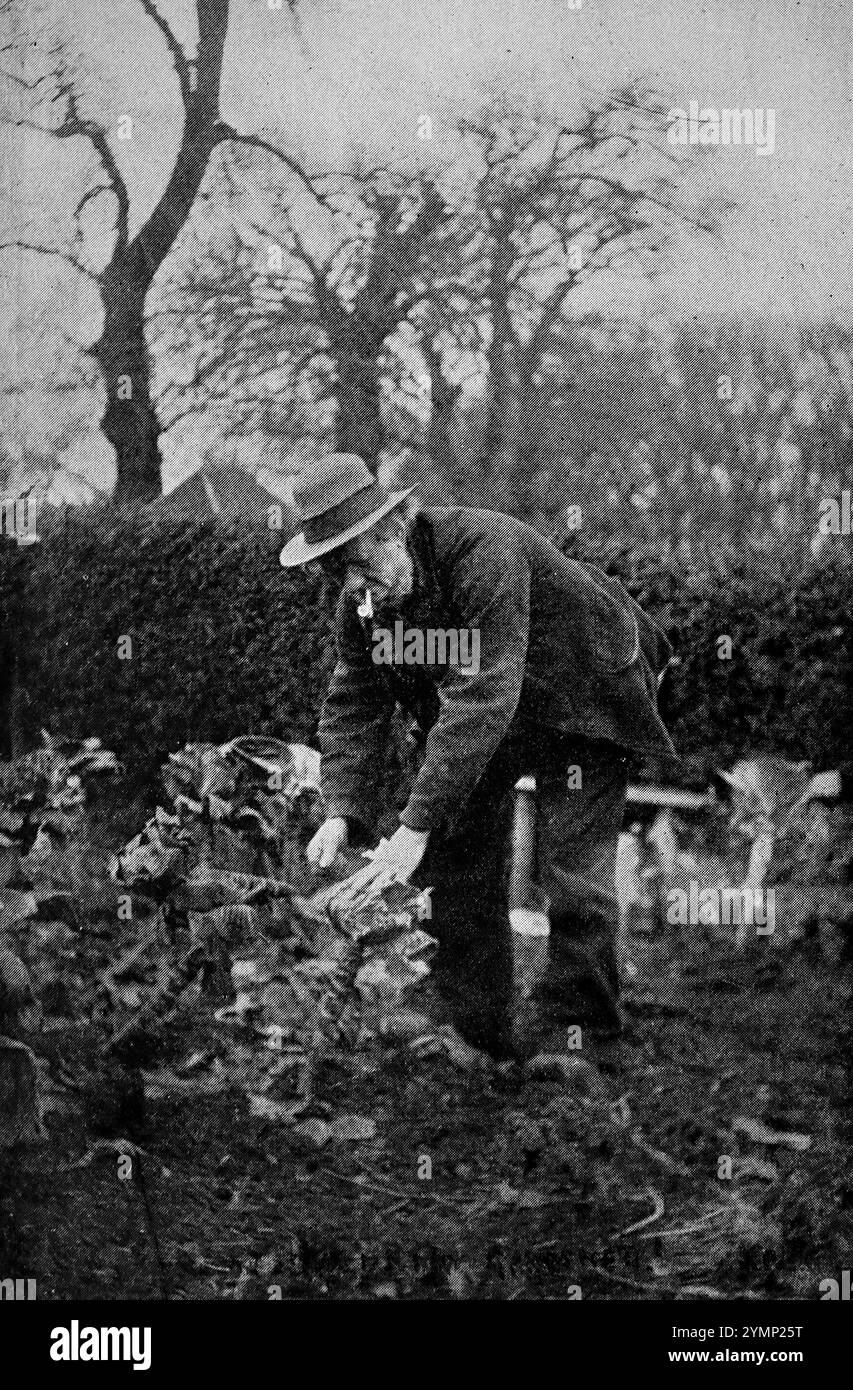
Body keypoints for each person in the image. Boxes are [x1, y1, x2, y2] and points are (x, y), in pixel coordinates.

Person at [280, 453, 677, 1060]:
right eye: (338, 575)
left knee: (571, 865)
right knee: (454, 848)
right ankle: (473, 1022)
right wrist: (342, 809)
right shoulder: (365, 604)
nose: (355, 587)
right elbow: (357, 700)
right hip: (502, 714)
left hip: (583, 694)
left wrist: (413, 823)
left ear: (396, 529)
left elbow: (482, 691)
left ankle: (583, 1029)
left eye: (358, 564)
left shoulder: (482, 551)